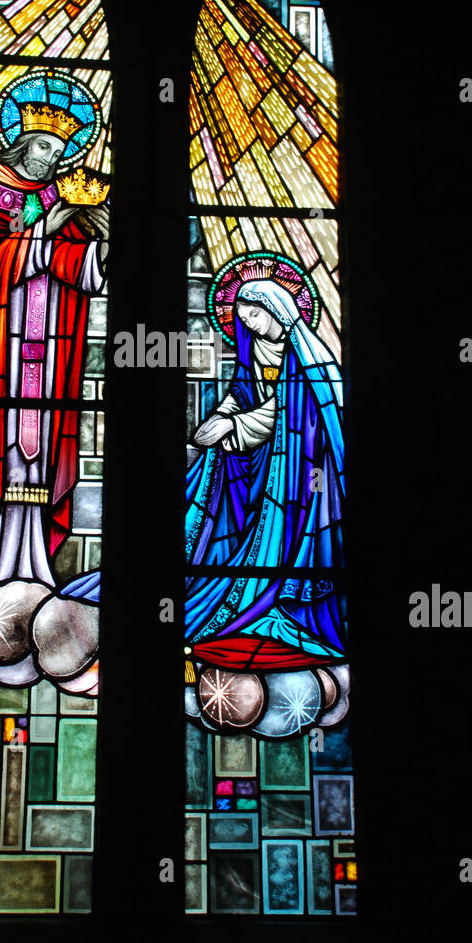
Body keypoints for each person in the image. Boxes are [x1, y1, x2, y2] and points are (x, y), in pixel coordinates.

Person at [0, 82, 108, 601]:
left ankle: (31, 564)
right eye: (42, 147)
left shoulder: (59, 200)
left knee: (39, 454)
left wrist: (92, 243)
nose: (49, 159)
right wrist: (39, 237)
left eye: (58, 152)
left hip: (50, 348)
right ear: (21, 141)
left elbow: (77, 267)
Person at [185, 277, 347, 670]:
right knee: (211, 473)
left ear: (278, 310)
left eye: (256, 314)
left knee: (295, 530)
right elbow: (243, 392)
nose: (252, 323)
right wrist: (222, 417)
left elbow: (293, 409)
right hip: (262, 459)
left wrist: (236, 427)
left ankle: (289, 603)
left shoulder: (307, 354)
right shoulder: (256, 349)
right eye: (245, 318)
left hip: (304, 467)